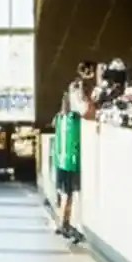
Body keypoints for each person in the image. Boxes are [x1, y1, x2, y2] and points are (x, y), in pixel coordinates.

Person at [52, 93, 83, 244]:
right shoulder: (73, 118)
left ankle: (63, 222)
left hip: (62, 160)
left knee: (64, 193)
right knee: (69, 194)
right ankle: (65, 223)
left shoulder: (60, 118)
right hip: (69, 161)